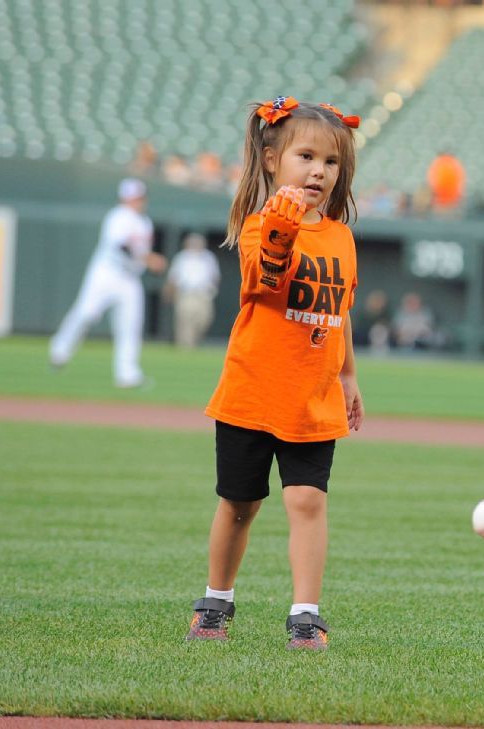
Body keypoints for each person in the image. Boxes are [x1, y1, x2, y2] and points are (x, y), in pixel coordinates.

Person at [186, 96, 364, 651]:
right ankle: (216, 603)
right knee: (240, 504)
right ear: (270, 159)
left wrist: (349, 377)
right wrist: (281, 239)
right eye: (306, 156)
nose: (319, 171)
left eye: (331, 162)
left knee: (308, 501)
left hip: (313, 395)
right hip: (253, 390)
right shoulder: (260, 226)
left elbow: (339, 312)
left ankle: (305, 616)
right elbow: (264, 282)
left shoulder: (340, 236)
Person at [49, 178, 167, 388]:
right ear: (125, 198)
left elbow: (138, 251)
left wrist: (146, 259)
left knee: (131, 326)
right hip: (107, 272)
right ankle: (60, 350)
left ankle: (127, 374)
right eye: (133, 196)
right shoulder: (118, 216)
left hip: (130, 278)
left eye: (140, 196)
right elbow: (121, 245)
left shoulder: (144, 222)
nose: (137, 200)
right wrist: (149, 259)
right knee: (86, 313)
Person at [164, 232, 221, 348]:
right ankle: (185, 347)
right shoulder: (182, 257)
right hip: (186, 293)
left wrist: (213, 289)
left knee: (204, 319)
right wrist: (170, 293)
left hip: (203, 294)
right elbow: (173, 278)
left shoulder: (208, 257)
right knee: (185, 319)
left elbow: (215, 276)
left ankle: (194, 342)